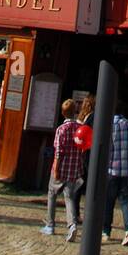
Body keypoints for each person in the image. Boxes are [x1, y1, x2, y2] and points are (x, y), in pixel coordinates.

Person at [42, 98, 84, 242]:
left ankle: (50, 224)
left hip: (62, 167)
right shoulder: (80, 128)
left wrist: (56, 168)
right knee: (69, 197)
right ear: (75, 112)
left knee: (52, 193)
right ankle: (72, 225)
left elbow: (58, 152)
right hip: (73, 168)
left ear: (62, 113)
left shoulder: (62, 129)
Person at [103, 108, 128, 246]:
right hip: (126, 170)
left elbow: (107, 147)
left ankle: (106, 231)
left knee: (108, 202)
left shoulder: (110, 125)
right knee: (125, 202)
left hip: (112, 169)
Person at [73, 94, 95, 226]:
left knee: (79, 184)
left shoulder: (81, 117)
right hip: (86, 155)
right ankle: (77, 214)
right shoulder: (91, 118)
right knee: (83, 184)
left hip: (80, 154)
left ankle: (75, 213)